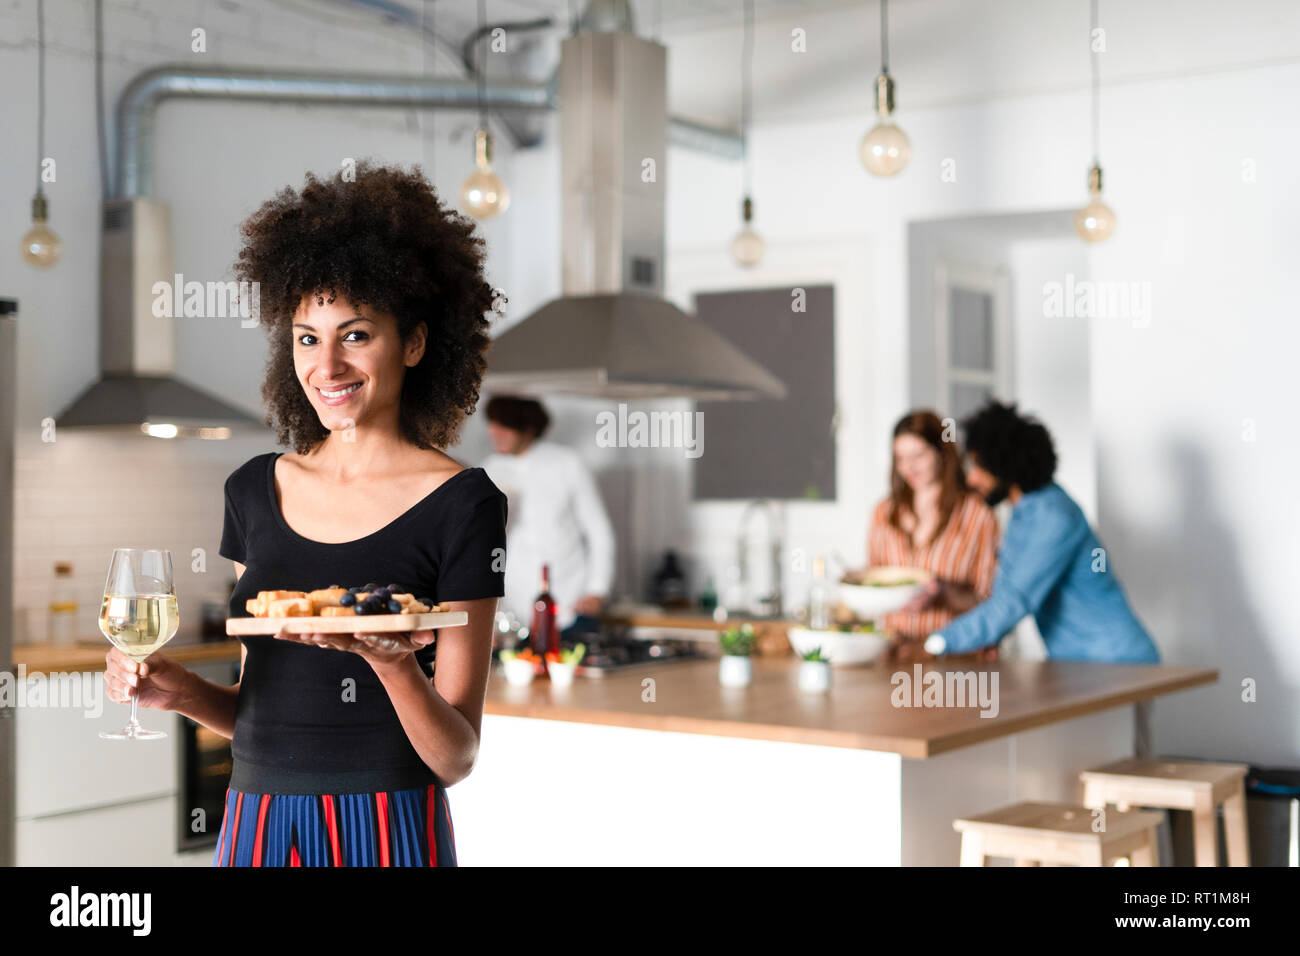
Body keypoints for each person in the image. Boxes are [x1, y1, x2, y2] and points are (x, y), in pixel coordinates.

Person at [101, 161, 506, 866]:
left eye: (356, 334)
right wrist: (186, 694)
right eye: (306, 337)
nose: (328, 365)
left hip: (389, 820)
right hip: (258, 817)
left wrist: (393, 667)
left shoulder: (463, 503)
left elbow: (455, 758)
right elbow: (264, 712)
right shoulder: (253, 491)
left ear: (413, 344)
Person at [922, 401, 1159, 663]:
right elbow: (1005, 595)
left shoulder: (1054, 516)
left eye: (979, 467)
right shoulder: (1024, 514)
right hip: (1079, 664)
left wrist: (937, 642)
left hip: (1118, 661)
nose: (971, 479)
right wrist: (991, 635)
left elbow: (1015, 601)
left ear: (1003, 464)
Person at [866, 410, 1000, 660]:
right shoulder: (883, 513)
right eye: (900, 458)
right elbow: (874, 583)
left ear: (941, 451)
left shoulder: (977, 514)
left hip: (956, 657)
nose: (909, 467)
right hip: (896, 654)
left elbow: (991, 604)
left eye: (918, 456)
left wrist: (942, 592)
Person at [481, 395, 615, 633]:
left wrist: (597, 590)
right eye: (493, 423)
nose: (494, 431)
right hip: (511, 612)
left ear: (529, 429)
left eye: (504, 425)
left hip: (568, 602)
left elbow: (599, 530)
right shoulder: (490, 469)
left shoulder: (566, 463)